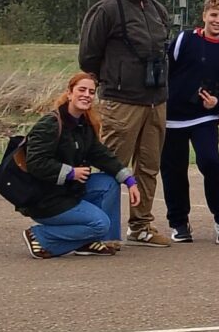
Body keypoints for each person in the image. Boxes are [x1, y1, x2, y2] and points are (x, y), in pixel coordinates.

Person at [77, 0, 171, 247]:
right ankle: (100, 231)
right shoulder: (107, 10)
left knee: (149, 167)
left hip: (155, 100)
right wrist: (106, 83)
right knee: (112, 167)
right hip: (121, 101)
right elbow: (88, 56)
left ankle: (141, 226)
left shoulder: (158, 10)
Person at [18, 73, 141, 259]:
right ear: (69, 93)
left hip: (68, 191)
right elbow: (36, 163)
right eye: (81, 90)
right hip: (45, 199)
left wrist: (130, 181)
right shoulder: (50, 124)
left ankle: (97, 242)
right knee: (100, 224)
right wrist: (70, 173)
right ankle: (41, 236)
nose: (87, 95)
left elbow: (101, 155)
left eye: (91, 92)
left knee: (109, 183)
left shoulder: (84, 124)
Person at [160, 0, 219, 245]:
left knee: (211, 163)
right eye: (213, 15)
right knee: (173, 170)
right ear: (204, 15)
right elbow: (165, 71)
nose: (217, 20)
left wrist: (218, 104)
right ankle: (179, 223)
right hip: (172, 118)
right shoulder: (184, 40)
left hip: (204, 118)